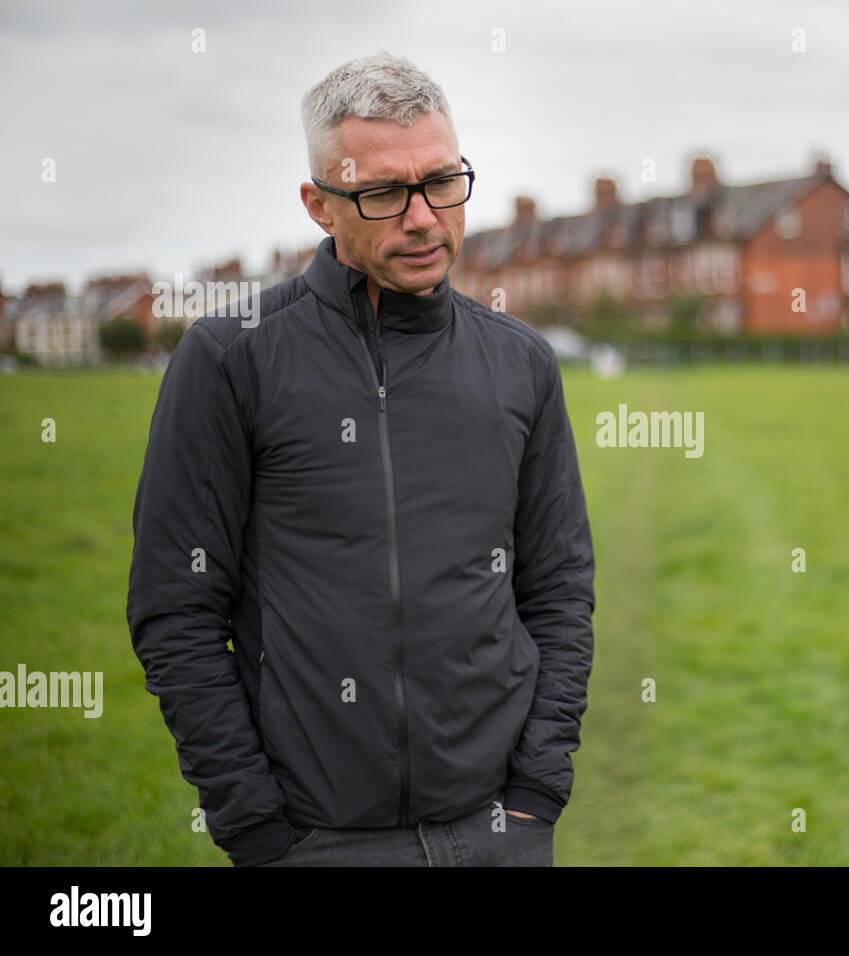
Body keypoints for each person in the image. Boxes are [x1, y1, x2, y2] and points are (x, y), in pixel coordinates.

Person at [125, 51, 596, 867]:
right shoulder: (230, 358)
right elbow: (177, 609)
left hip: (498, 833)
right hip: (313, 839)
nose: (423, 218)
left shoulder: (523, 363)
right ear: (319, 205)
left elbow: (558, 589)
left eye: (443, 182)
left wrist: (533, 795)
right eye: (383, 193)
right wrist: (258, 828)